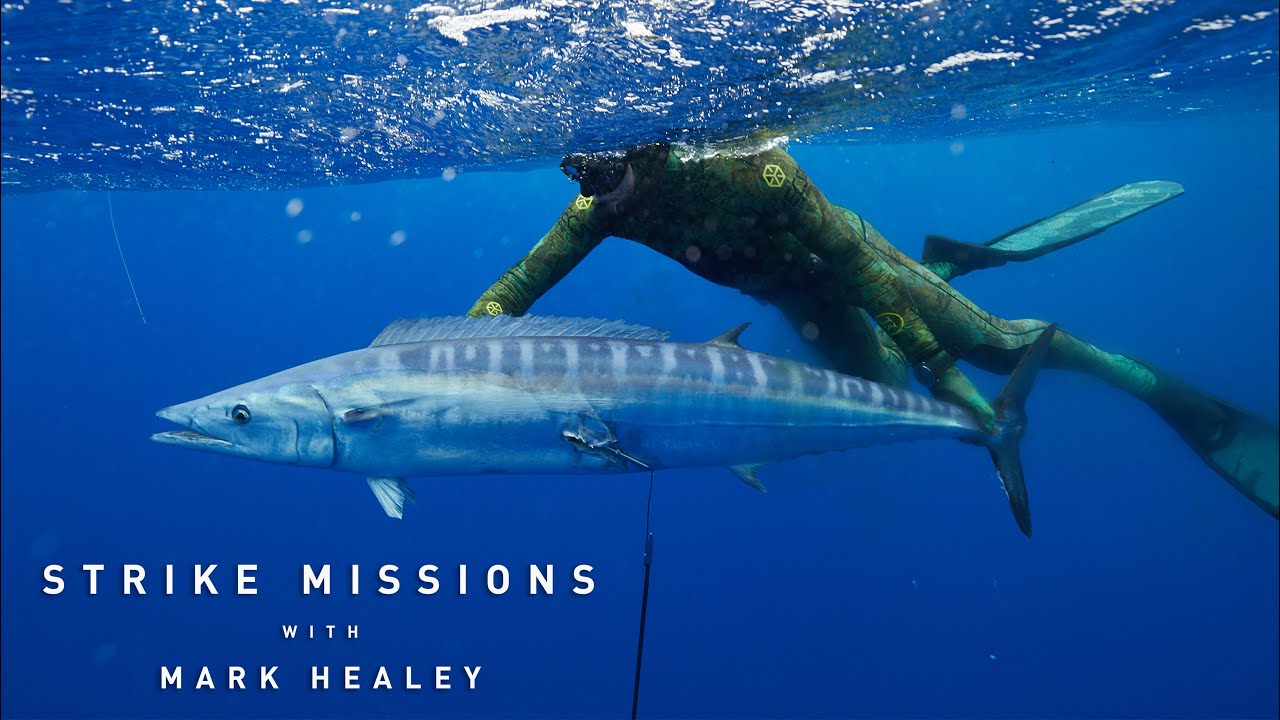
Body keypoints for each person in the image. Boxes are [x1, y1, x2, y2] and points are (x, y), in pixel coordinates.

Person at [467, 142, 1278, 530]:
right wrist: (444, 360)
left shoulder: (750, 167)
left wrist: (941, 372)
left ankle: (1147, 385)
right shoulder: (596, 209)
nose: (596, 189)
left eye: (606, 171)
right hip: (798, 297)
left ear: (649, 146)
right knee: (884, 388)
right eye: (579, 174)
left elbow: (856, 268)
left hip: (853, 262)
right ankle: (947, 273)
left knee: (992, 348)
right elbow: (513, 290)